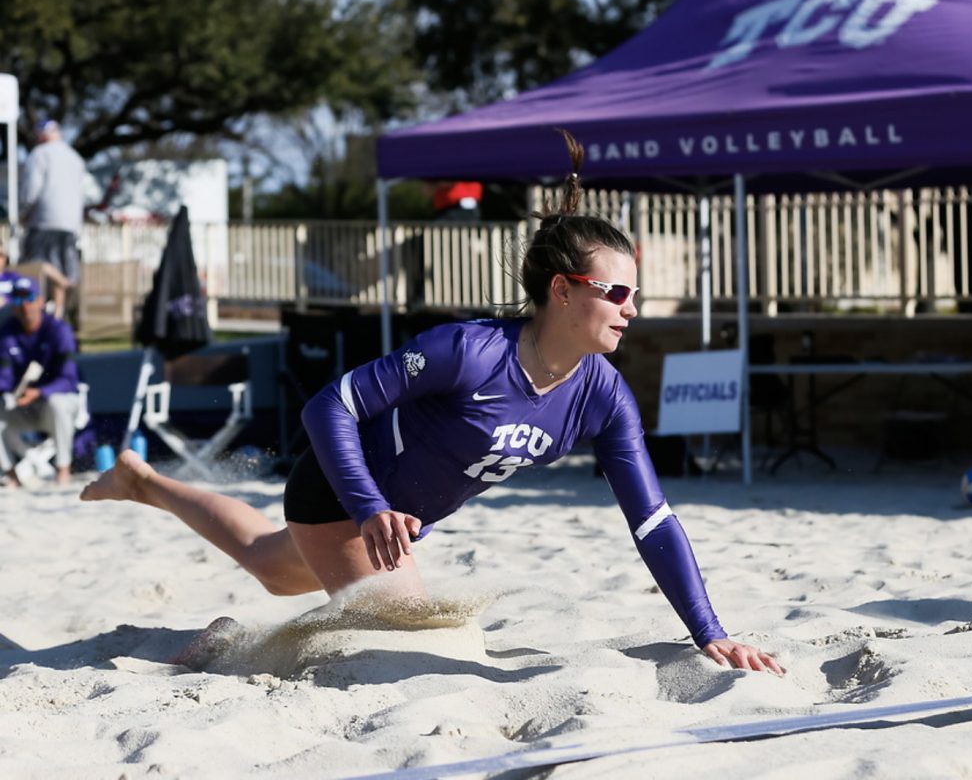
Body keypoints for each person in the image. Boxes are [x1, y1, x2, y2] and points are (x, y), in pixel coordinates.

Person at [81, 133, 783, 674]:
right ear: (564, 292)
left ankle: (145, 481)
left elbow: (653, 521)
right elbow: (328, 406)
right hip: (342, 491)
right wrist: (366, 506)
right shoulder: (470, 351)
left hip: (391, 521)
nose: (632, 310)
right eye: (618, 293)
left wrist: (710, 633)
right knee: (403, 636)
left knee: (271, 564)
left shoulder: (602, 396)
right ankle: (227, 647)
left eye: (637, 295)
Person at [0, 276, 83, 486]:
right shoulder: (7, 333)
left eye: (29, 298)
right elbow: (4, 378)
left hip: (58, 406)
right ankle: (11, 476)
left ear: (40, 300)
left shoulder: (59, 330)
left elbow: (69, 380)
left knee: (57, 402)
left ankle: (63, 470)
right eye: (18, 301)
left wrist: (38, 392)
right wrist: (9, 394)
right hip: (23, 407)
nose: (24, 305)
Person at [18, 118, 85, 327]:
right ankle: (58, 317)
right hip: (70, 224)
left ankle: (36, 319)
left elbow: (30, 191)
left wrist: (22, 212)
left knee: (38, 267)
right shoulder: (76, 158)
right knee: (61, 271)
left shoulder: (39, 154)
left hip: (44, 221)